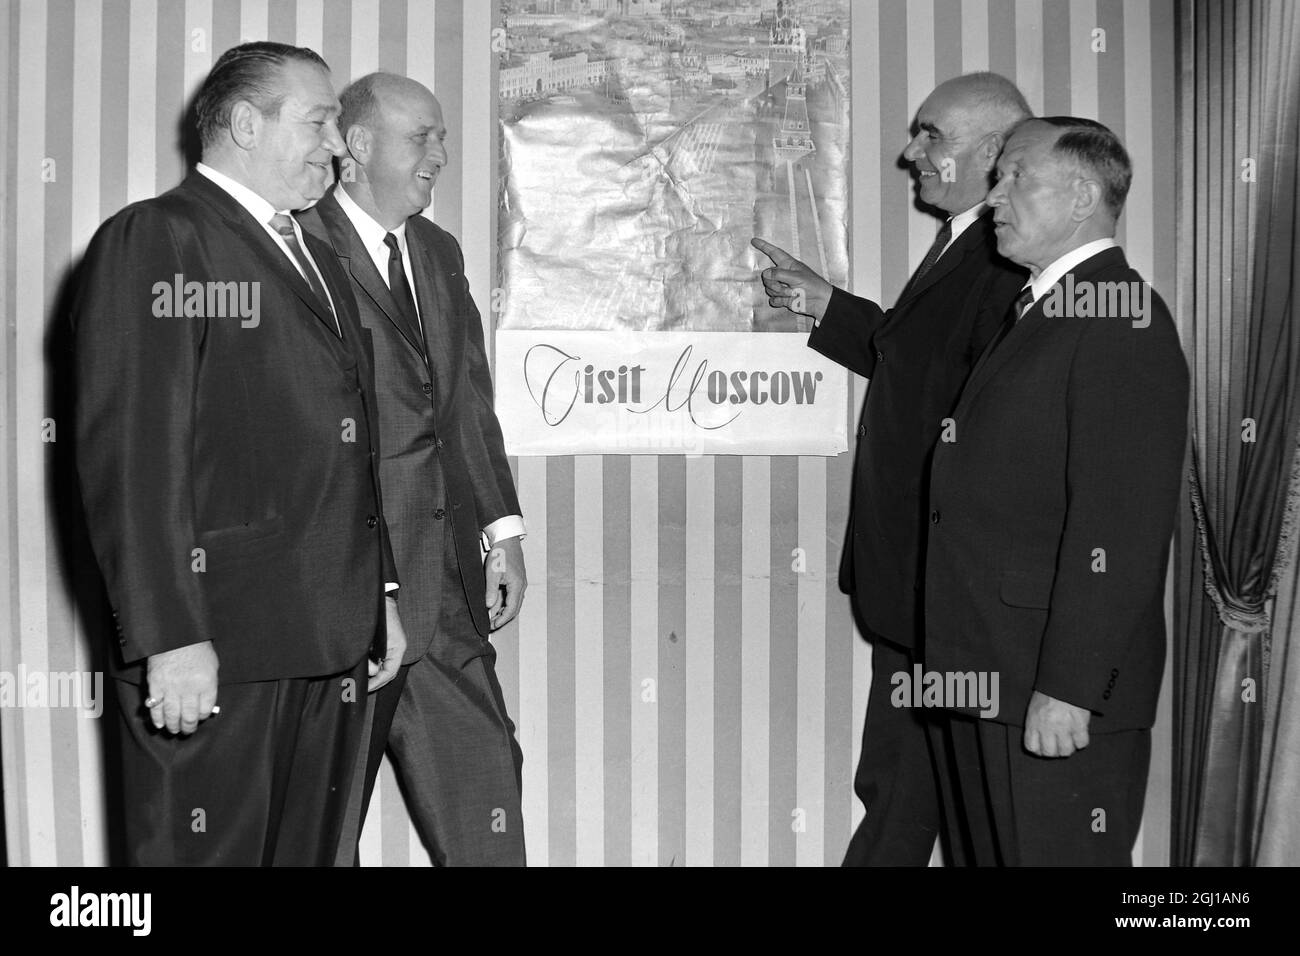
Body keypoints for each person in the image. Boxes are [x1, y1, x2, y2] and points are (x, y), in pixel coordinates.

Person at [73, 42, 406, 865]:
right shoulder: (159, 239)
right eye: (319, 121)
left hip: (331, 641)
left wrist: (381, 596)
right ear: (245, 123)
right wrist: (169, 637)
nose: (336, 145)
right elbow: (134, 454)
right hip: (218, 648)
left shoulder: (320, 255)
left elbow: (350, 440)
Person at [754, 72, 1030, 865]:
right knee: (903, 793)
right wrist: (826, 304)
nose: (911, 154)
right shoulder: (967, 243)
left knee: (931, 803)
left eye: (931, 135)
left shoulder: (1008, 254)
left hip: (951, 594)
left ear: (991, 149)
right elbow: (921, 364)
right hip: (915, 590)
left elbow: (978, 403)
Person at [924, 117, 1189, 865]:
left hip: (1049, 693)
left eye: (1014, 177)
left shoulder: (1120, 317)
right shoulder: (1044, 306)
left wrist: (1071, 688)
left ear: (1080, 195)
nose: (994, 195)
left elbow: (1124, 524)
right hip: (992, 679)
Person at [298, 72, 528, 866]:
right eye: (420, 137)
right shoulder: (294, 247)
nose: (440, 154)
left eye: (441, 137)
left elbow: (467, 398)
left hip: (450, 597)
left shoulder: (436, 250)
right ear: (357, 148)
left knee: (489, 805)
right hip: (345, 603)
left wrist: (503, 532)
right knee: (321, 830)